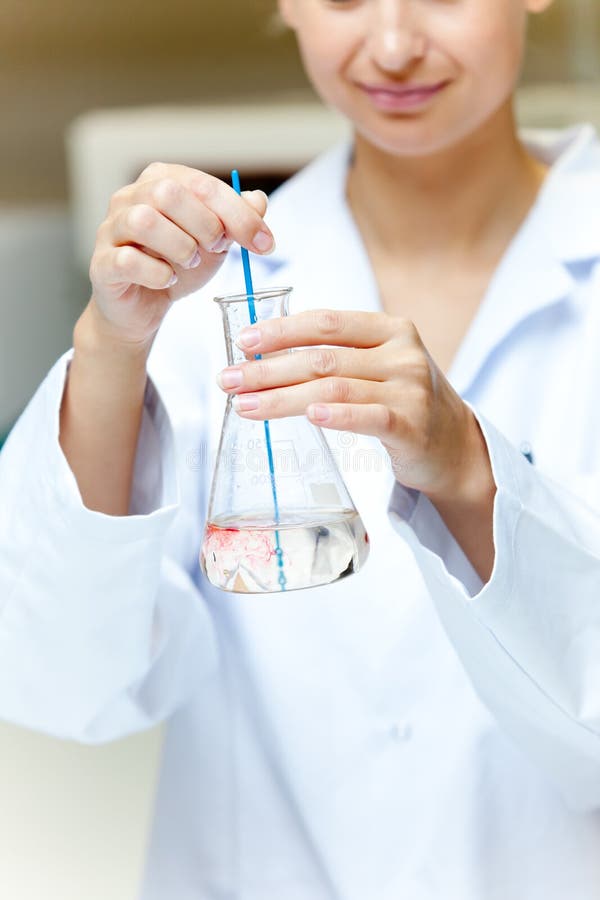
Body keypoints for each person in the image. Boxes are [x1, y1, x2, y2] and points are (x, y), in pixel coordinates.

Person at [1, 0, 600, 897]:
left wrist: (471, 476)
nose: (393, 47)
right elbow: (63, 683)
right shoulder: (216, 298)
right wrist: (110, 346)